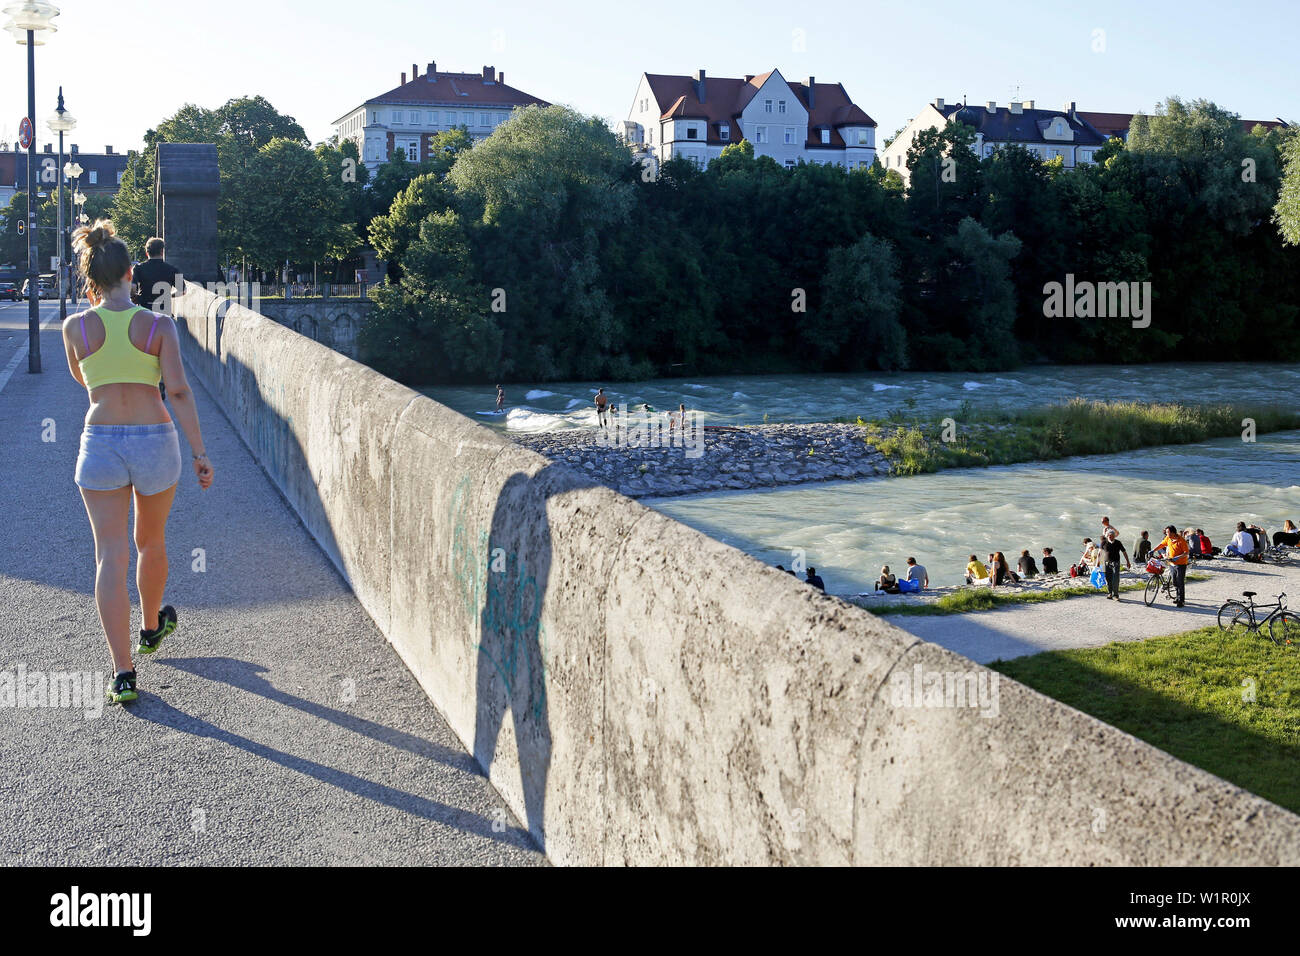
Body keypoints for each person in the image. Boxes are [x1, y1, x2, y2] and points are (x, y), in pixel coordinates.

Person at [62, 220, 215, 706]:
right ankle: (151, 628)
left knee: (110, 554)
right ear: (132, 273)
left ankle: (123, 673)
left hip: (101, 440)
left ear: (91, 279)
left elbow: (84, 383)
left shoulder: (75, 327)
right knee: (150, 540)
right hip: (155, 440)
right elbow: (178, 390)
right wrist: (199, 453)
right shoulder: (158, 326)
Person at [130, 237, 185, 401]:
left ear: (147, 252)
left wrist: (136, 298)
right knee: (162, 351)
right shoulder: (172, 269)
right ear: (162, 252)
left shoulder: (138, 269)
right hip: (164, 315)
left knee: (144, 349)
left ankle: (147, 382)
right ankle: (161, 383)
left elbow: (132, 289)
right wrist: (169, 296)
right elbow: (183, 290)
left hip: (144, 312)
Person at [1153, 524, 1189, 606]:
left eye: (1167, 532)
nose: (1166, 534)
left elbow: (1186, 553)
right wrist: (1153, 550)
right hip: (1171, 563)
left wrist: (1177, 557)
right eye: (1166, 532)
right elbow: (1161, 545)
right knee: (1174, 582)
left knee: (1180, 582)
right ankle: (1177, 596)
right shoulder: (1168, 538)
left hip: (1181, 564)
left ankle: (1181, 600)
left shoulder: (1181, 540)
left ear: (1173, 532)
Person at [1097, 528, 1131, 601]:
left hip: (1116, 563)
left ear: (1114, 536)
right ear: (1107, 536)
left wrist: (1128, 561)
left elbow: (1124, 552)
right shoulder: (1104, 542)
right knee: (1108, 579)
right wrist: (1098, 563)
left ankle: (1116, 595)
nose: (1110, 537)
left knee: (1115, 579)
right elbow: (1099, 553)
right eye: (1109, 535)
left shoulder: (1118, 543)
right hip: (1106, 563)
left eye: (1112, 535)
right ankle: (1110, 593)